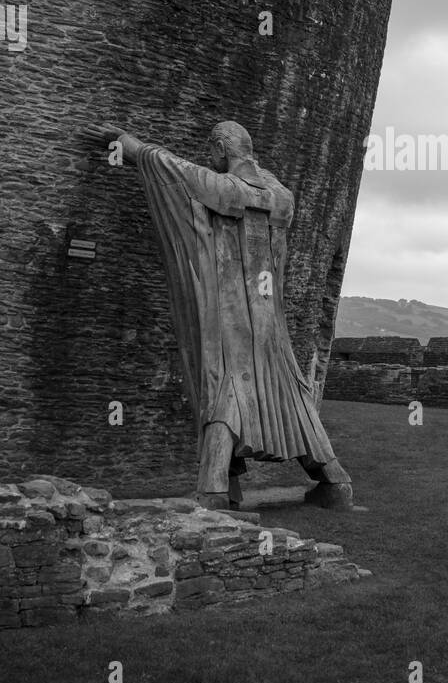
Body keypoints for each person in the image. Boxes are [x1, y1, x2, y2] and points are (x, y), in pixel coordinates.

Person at [89, 121, 352, 510]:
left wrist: (129, 145)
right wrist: (250, 166)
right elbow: (260, 188)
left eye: (213, 151)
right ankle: (334, 482)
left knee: (226, 389)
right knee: (289, 393)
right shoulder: (280, 198)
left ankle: (213, 489)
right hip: (268, 324)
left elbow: (171, 167)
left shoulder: (222, 188)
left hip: (230, 321)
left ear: (218, 148)